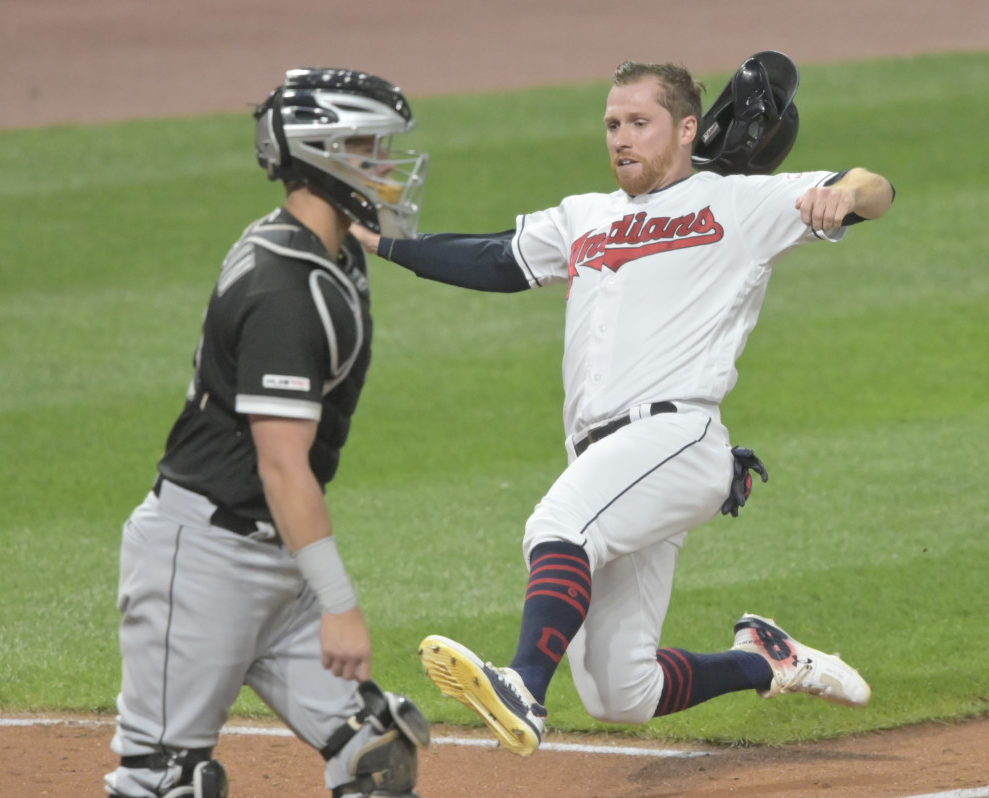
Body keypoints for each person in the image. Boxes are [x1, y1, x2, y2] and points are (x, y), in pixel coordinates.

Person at [352, 55, 895, 757]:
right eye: (613, 124)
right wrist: (379, 242)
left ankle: (522, 684)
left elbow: (875, 188)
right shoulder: (587, 216)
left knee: (559, 521)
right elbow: (494, 260)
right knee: (619, 693)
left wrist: (845, 193)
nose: (621, 137)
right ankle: (767, 659)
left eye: (639, 122)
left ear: (685, 128)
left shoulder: (738, 202)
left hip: (678, 436)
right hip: (608, 459)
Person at [104, 68, 432, 798]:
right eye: (368, 147)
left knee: (375, 755)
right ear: (321, 154)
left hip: (271, 559)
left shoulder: (329, 250)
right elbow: (283, 466)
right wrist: (341, 606)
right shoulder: (287, 290)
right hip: (206, 563)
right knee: (166, 783)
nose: (385, 165)